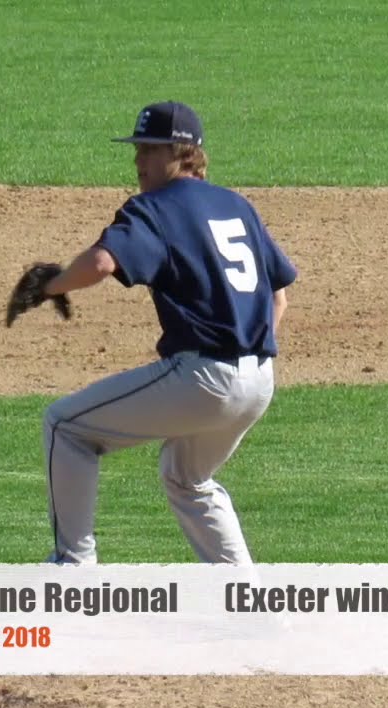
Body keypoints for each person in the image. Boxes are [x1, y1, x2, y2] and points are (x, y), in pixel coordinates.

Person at [38, 101, 297, 565]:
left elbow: (101, 263)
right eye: (138, 149)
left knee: (66, 427)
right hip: (260, 382)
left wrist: (51, 285)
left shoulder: (155, 207)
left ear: (182, 153)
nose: (138, 162)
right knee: (187, 479)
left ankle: (72, 572)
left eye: (150, 150)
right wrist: (245, 360)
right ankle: (252, 610)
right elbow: (279, 298)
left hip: (204, 379)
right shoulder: (237, 205)